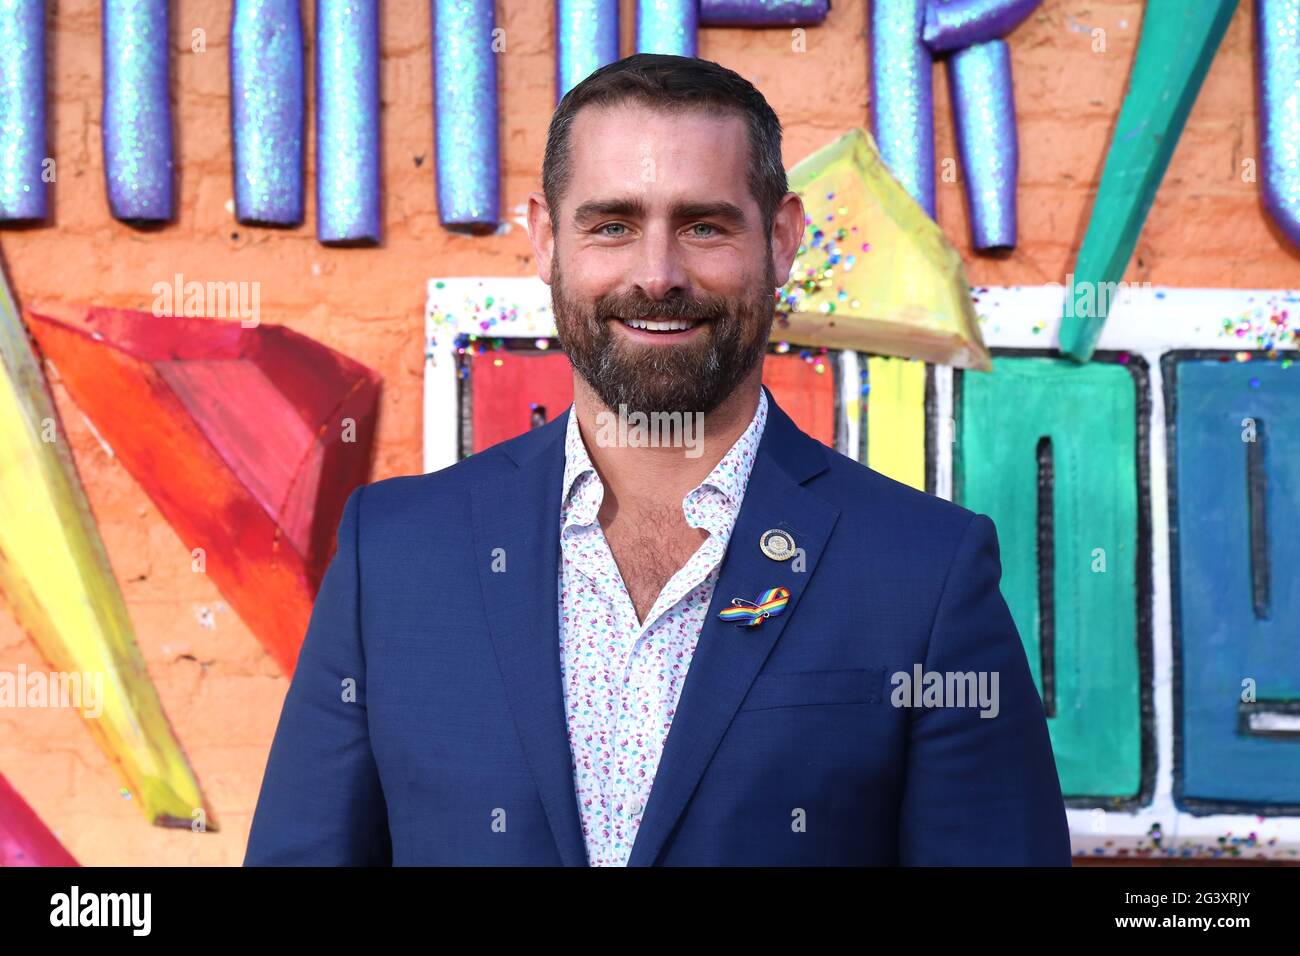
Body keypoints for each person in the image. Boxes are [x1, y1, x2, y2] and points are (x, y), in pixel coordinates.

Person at [245, 53, 1071, 866]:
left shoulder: (924, 573)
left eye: (704, 225)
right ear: (544, 240)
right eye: (612, 225)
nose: (657, 275)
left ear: (782, 240)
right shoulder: (392, 555)